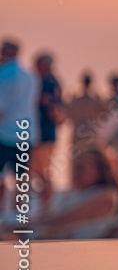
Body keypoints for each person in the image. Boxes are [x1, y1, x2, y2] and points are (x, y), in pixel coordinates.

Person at [31, 147, 118, 239]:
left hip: (77, 249)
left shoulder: (105, 196)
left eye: (81, 167)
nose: (75, 173)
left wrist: (29, 224)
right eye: (74, 167)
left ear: (100, 169)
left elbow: (61, 220)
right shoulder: (79, 194)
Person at [0, 39, 39, 214]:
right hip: (26, 130)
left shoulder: (4, 73)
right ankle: (19, 213)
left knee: (1, 174)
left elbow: (1, 107)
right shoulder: (30, 74)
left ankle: (1, 211)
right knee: (21, 175)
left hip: (6, 131)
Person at [31, 52, 63, 209]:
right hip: (43, 133)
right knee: (38, 170)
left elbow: (53, 110)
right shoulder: (52, 81)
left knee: (39, 170)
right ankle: (45, 205)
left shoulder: (46, 82)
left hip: (42, 133)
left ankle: (46, 206)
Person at [65, 71, 109, 154]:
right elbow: (106, 115)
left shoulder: (76, 100)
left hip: (79, 132)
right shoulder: (94, 101)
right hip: (89, 132)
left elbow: (67, 114)